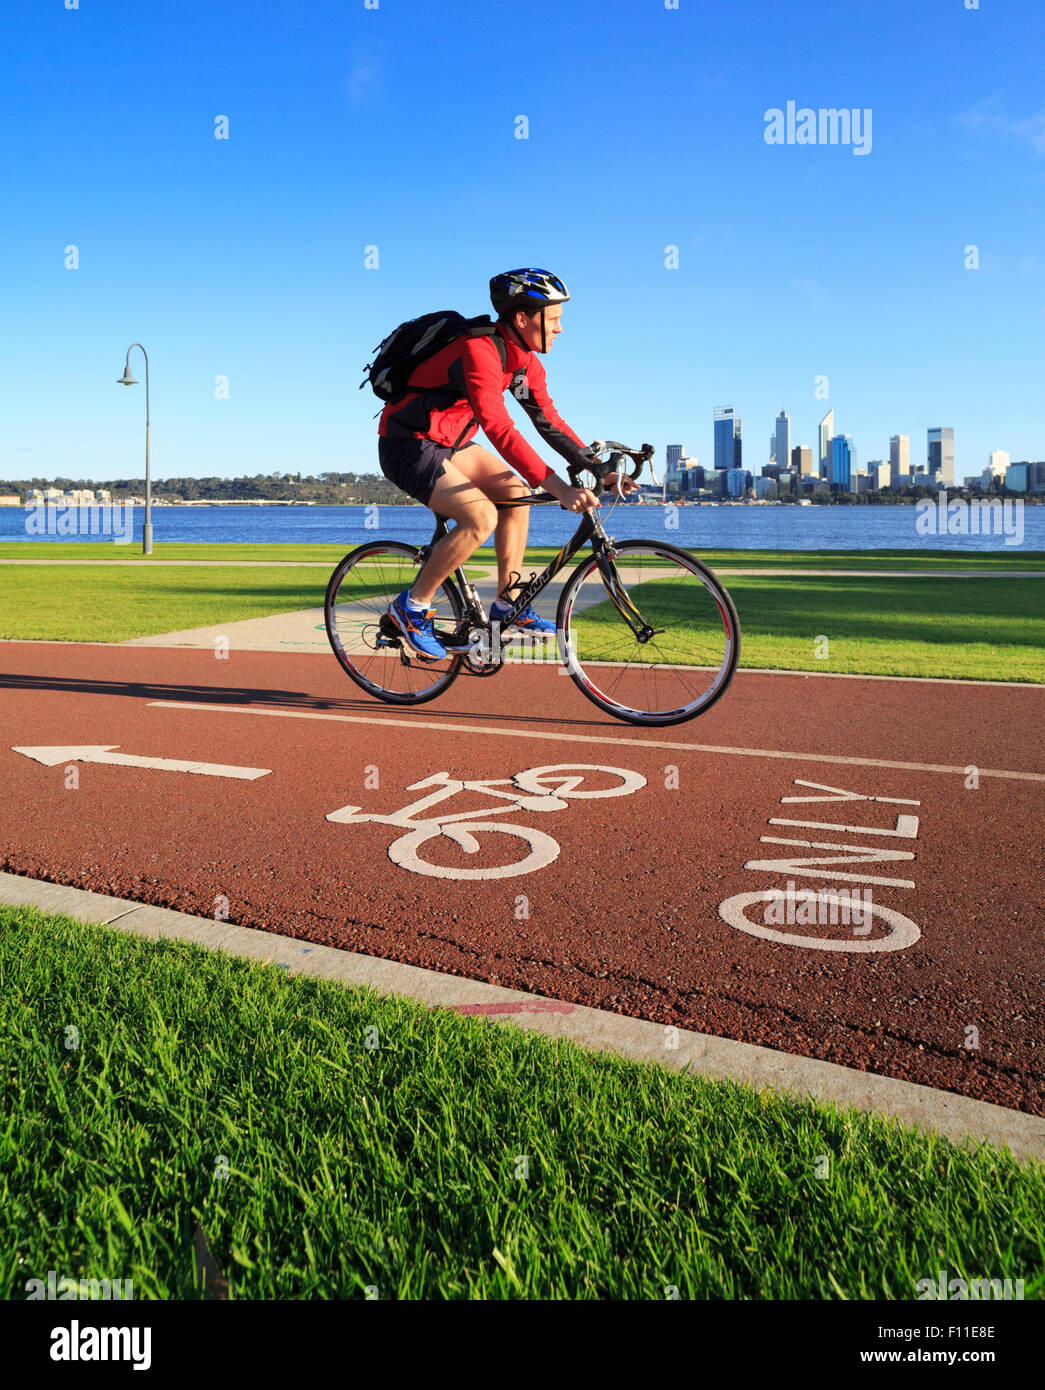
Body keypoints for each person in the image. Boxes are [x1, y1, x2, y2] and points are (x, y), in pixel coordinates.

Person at [377, 267, 635, 658]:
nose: (561, 328)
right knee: (481, 517)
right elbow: (499, 428)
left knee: (516, 492)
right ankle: (411, 608)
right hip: (407, 444)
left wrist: (600, 470)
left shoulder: (525, 363)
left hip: (453, 442)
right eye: (555, 318)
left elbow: (549, 421)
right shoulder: (477, 351)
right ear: (522, 318)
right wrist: (560, 488)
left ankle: (507, 607)